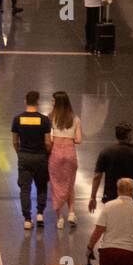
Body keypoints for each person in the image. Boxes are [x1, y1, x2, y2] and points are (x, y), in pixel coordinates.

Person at [11, 90, 52, 229]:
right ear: (38, 102)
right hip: (40, 157)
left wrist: (20, 154)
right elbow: (47, 142)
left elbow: (15, 141)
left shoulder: (17, 119)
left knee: (25, 189)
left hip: (24, 157)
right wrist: (48, 154)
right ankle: (40, 213)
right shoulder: (44, 120)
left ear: (25, 101)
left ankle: (27, 219)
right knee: (41, 186)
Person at [90, 122, 133, 211]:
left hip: (111, 197)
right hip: (132, 197)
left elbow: (97, 176)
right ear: (128, 135)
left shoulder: (106, 152)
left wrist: (93, 197)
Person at [49, 91, 83, 228]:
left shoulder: (50, 118)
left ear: (57, 103)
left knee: (56, 184)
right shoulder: (75, 119)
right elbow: (79, 140)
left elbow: (49, 139)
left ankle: (59, 219)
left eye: (53, 101)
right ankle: (71, 213)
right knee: (70, 183)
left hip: (56, 153)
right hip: (70, 154)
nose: (51, 102)